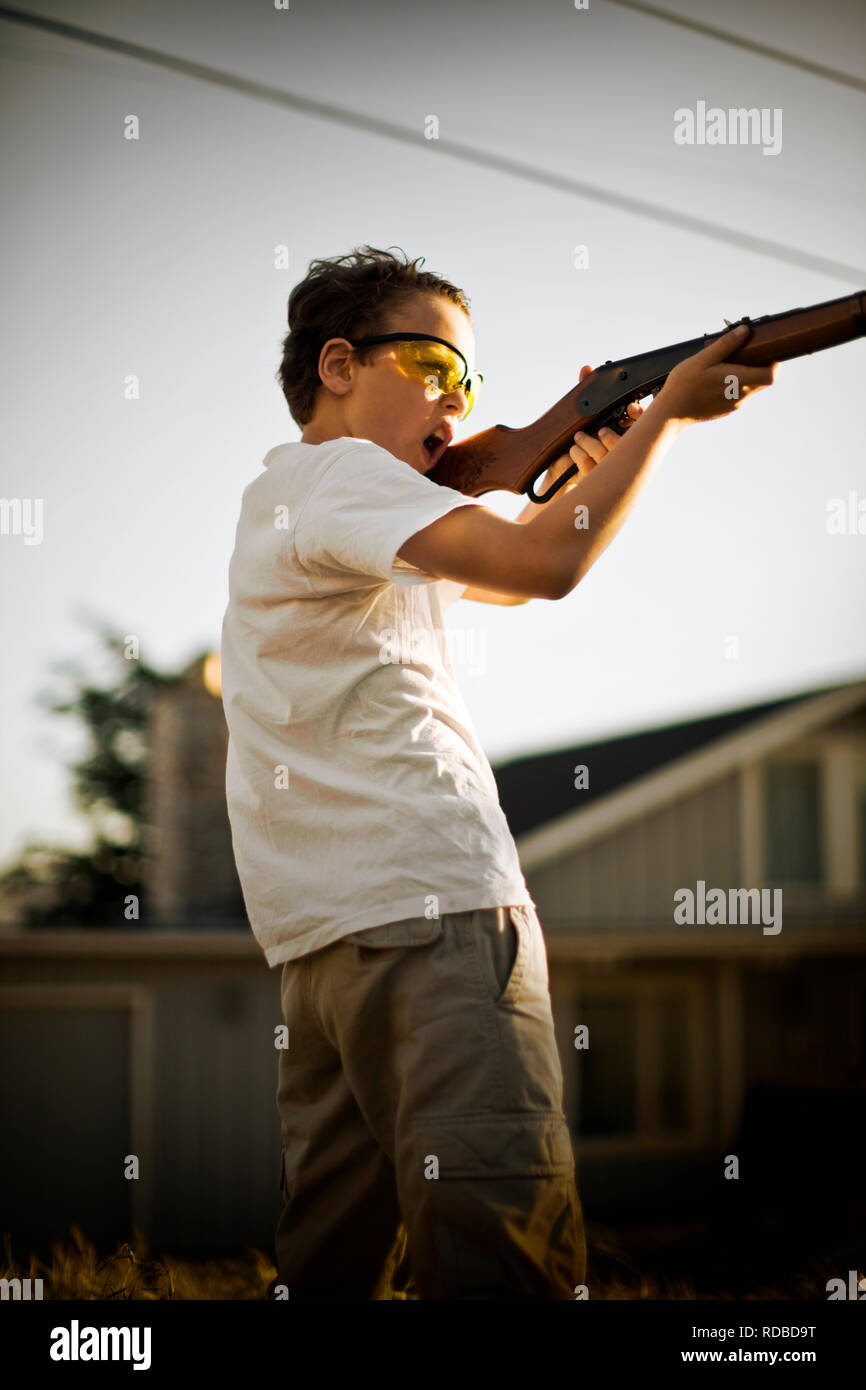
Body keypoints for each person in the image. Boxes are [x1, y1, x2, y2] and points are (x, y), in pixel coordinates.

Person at [219, 245, 777, 1300]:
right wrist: (667, 416)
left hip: (327, 940)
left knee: (328, 1263)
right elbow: (547, 569)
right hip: (437, 917)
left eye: (466, 380)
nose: (456, 399)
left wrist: (583, 464)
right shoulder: (345, 480)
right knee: (503, 1251)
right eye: (431, 364)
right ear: (337, 364)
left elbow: (514, 569)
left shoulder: (297, 498)